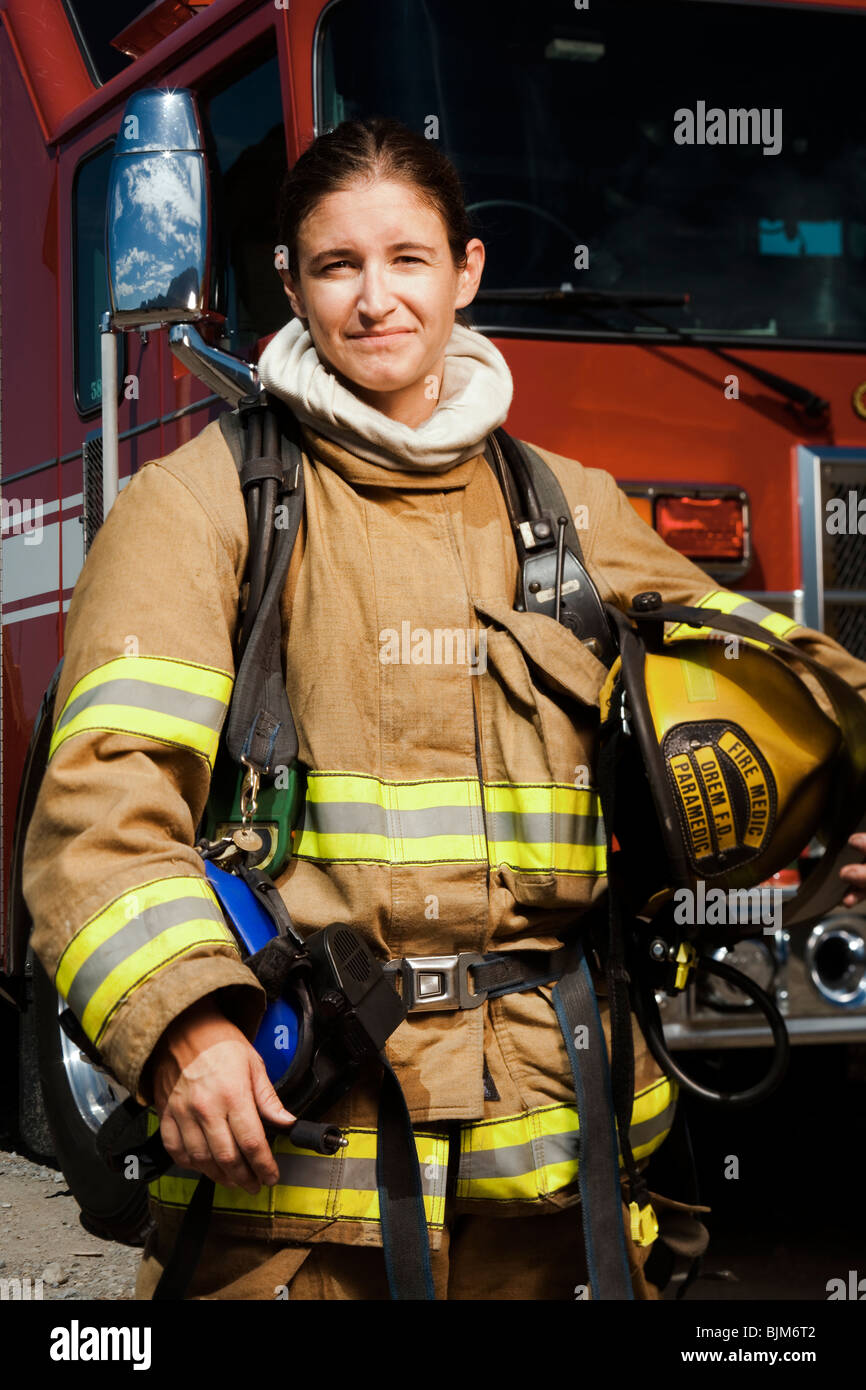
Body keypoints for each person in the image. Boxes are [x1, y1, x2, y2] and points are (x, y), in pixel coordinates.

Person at [22, 116, 866, 1302]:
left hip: (559, 1179)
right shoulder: (203, 504)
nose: (376, 300)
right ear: (291, 284)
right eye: (337, 265)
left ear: (463, 271)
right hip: (307, 1202)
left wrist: (840, 778)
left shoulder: (562, 503)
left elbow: (779, 667)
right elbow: (101, 805)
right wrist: (183, 1029)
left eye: (407, 259)